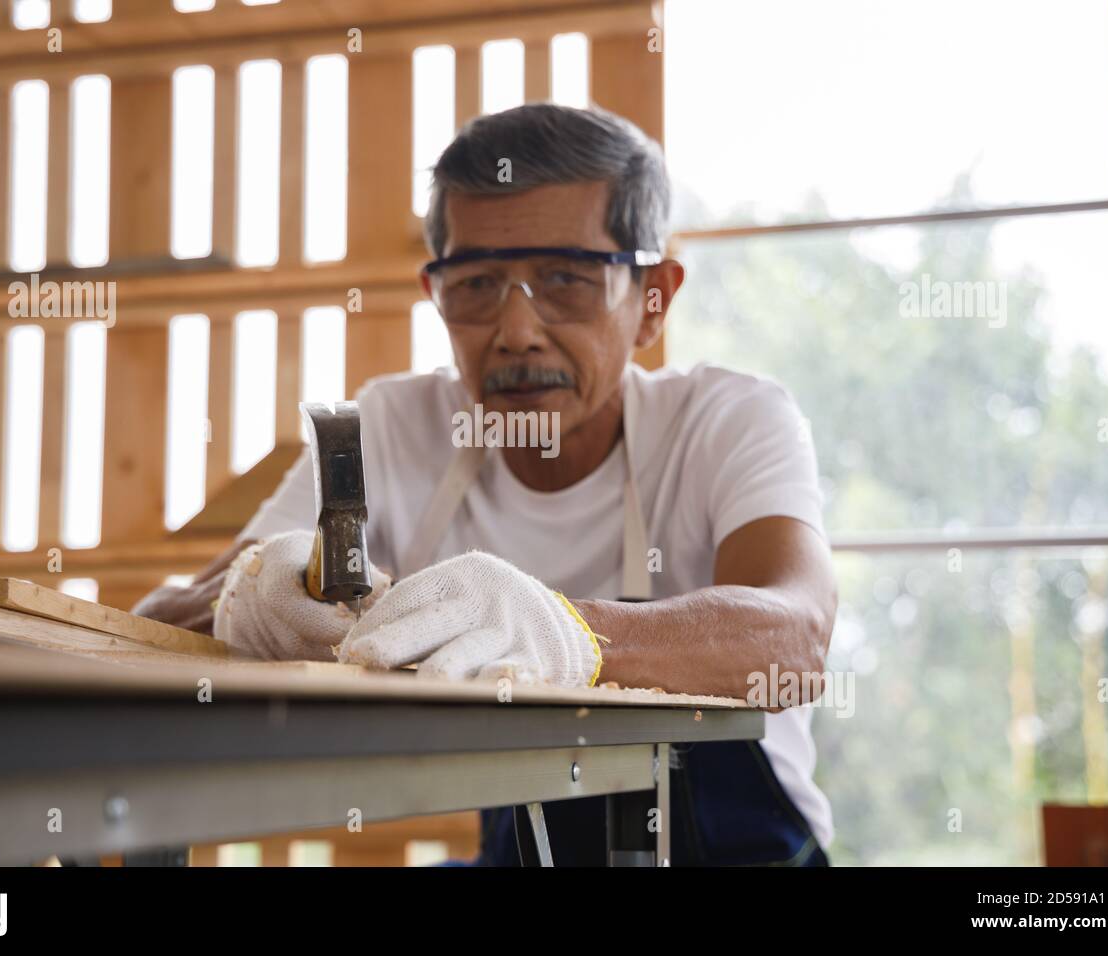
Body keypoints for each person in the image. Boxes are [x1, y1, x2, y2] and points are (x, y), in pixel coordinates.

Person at [135, 103, 838, 866]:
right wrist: (250, 594)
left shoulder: (727, 419)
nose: (515, 331)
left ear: (652, 299)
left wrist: (575, 635)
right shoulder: (396, 425)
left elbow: (793, 637)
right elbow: (170, 616)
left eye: (565, 278)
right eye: (476, 284)